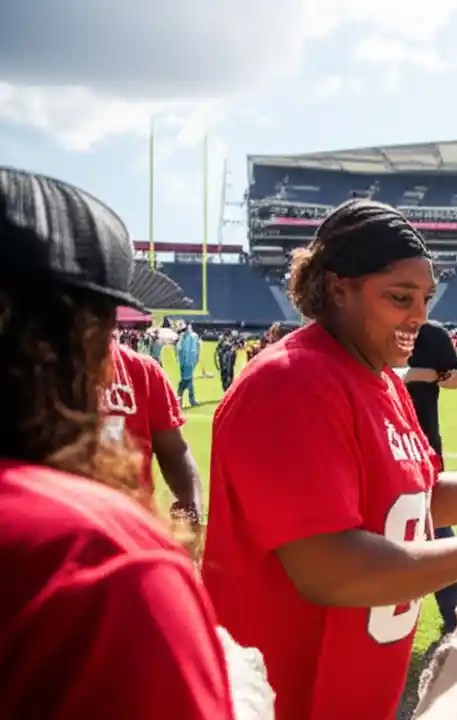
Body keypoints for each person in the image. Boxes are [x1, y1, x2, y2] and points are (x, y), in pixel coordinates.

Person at [201, 199, 457, 720]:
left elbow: (416, 498)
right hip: (286, 695)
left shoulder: (380, 380)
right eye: (400, 297)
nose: (420, 316)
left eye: (425, 297)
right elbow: (329, 567)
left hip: (360, 690)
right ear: (338, 288)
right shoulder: (291, 383)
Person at [0, 167, 234, 718]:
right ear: (78, 339)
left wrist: (188, 508)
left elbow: (174, 452)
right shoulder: (95, 557)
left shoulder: (144, 375)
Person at [103, 326, 205, 548]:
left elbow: (175, 453)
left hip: (133, 538)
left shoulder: (142, 370)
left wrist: (191, 509)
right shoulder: (30, 375)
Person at [401, 317, 457, 636]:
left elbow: (454, 378)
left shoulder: (433, 334)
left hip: (424, 445)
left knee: (436, 523)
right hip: (380, 445)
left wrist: (423, 375)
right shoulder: (370, 328)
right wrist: (413, 375)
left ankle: (455, 615)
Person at [176, 322, 201, 407]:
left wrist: (197, 356)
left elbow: (197, 346)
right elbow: (179, 348)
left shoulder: (193, 336)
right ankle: (182, 398)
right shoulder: (183, 336)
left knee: (188, 379)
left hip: (189, 360)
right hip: (185, 361)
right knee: (186, 380)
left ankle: (184, 399)